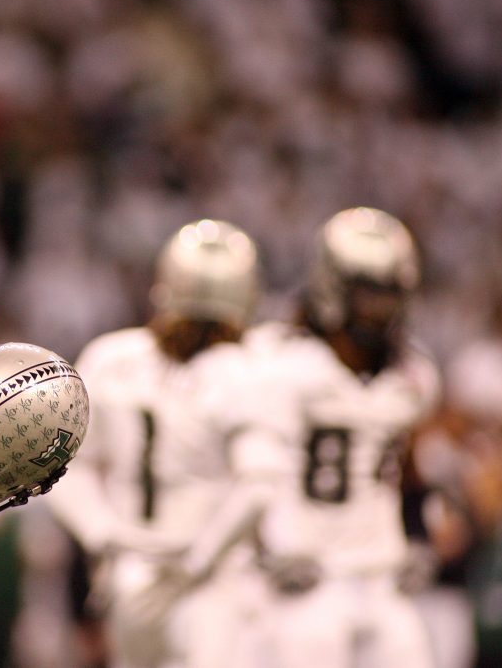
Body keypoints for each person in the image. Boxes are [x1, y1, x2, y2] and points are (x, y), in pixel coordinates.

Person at [175, 207, 441, 667]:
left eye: (388, 295)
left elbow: (407, 467)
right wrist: (265, 546)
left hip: (380, 573)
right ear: (332, 286)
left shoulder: (413, 375)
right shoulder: (279, 363)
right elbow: (240, 467)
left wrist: (418, 535)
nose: (379, 310)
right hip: (303, 575)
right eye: (367, 294)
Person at [45, 218, 263, 668]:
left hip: (148, 566)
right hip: (207, 570)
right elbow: (261, 483)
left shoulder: (114, 358)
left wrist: (102, 531)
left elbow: (68, 469)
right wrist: (103, 531)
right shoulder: (250, 368)